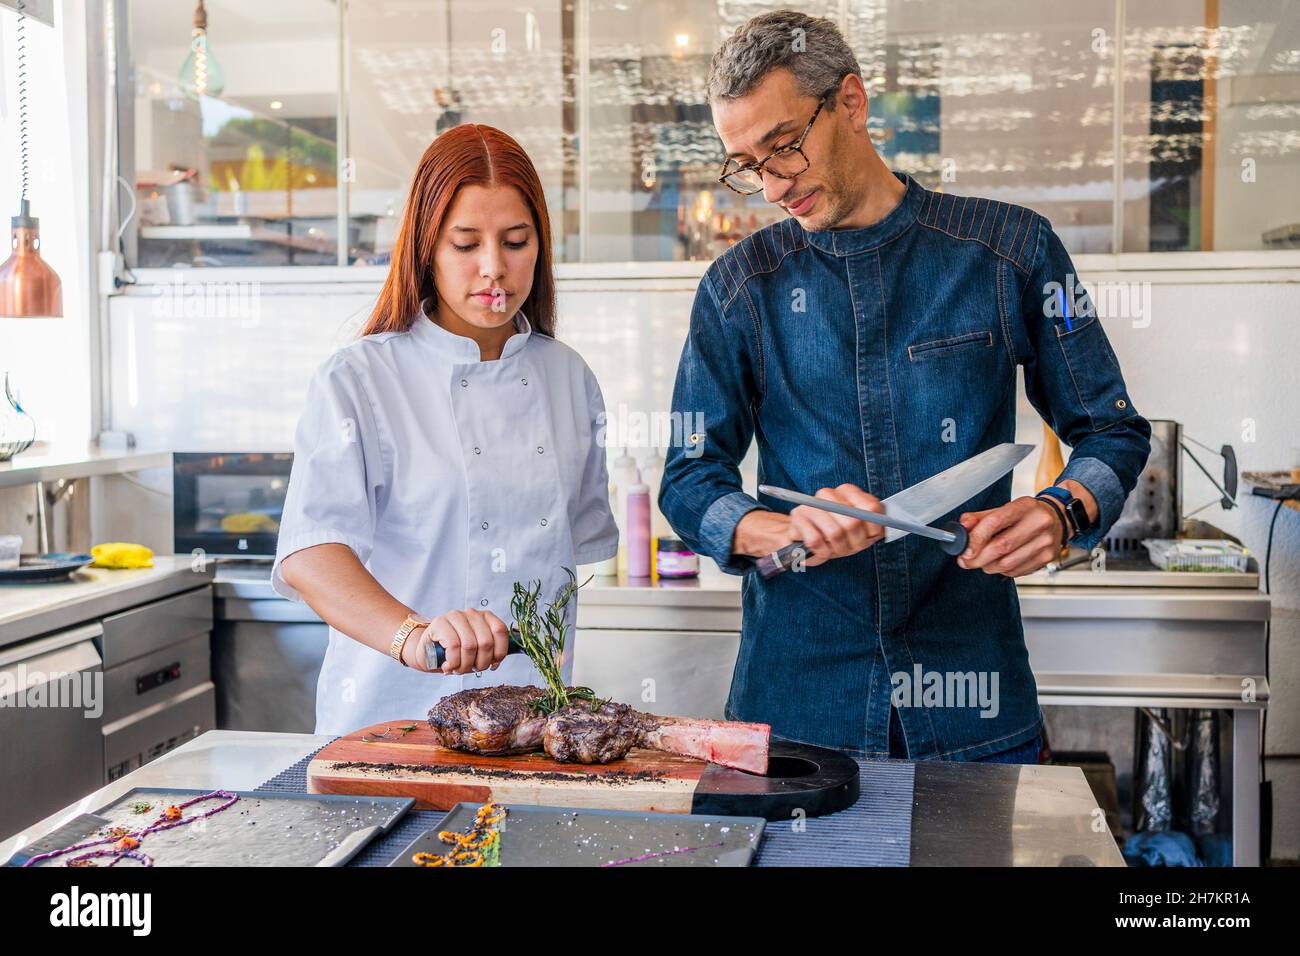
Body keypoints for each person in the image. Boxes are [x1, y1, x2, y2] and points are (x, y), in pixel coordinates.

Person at [660, 11, 1152, 763]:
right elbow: (690, 480)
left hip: (973, 703)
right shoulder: (737, 290)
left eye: (784, 144)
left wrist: (1063, 509)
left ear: (851, 102)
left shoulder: (1011, 252)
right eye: (745, 163)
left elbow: (1111, 428)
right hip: (797, 703)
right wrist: (784, 531)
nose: (771, 182)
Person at [272, 124, 617, 735]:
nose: (494, 269)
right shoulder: (360, 378)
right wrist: (414, 635)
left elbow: (576, 551)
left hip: (531, 728)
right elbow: (311, 553)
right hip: (389, 721)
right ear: (425, 249)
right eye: (465, 244)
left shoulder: (569, 379)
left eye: (516, 241)